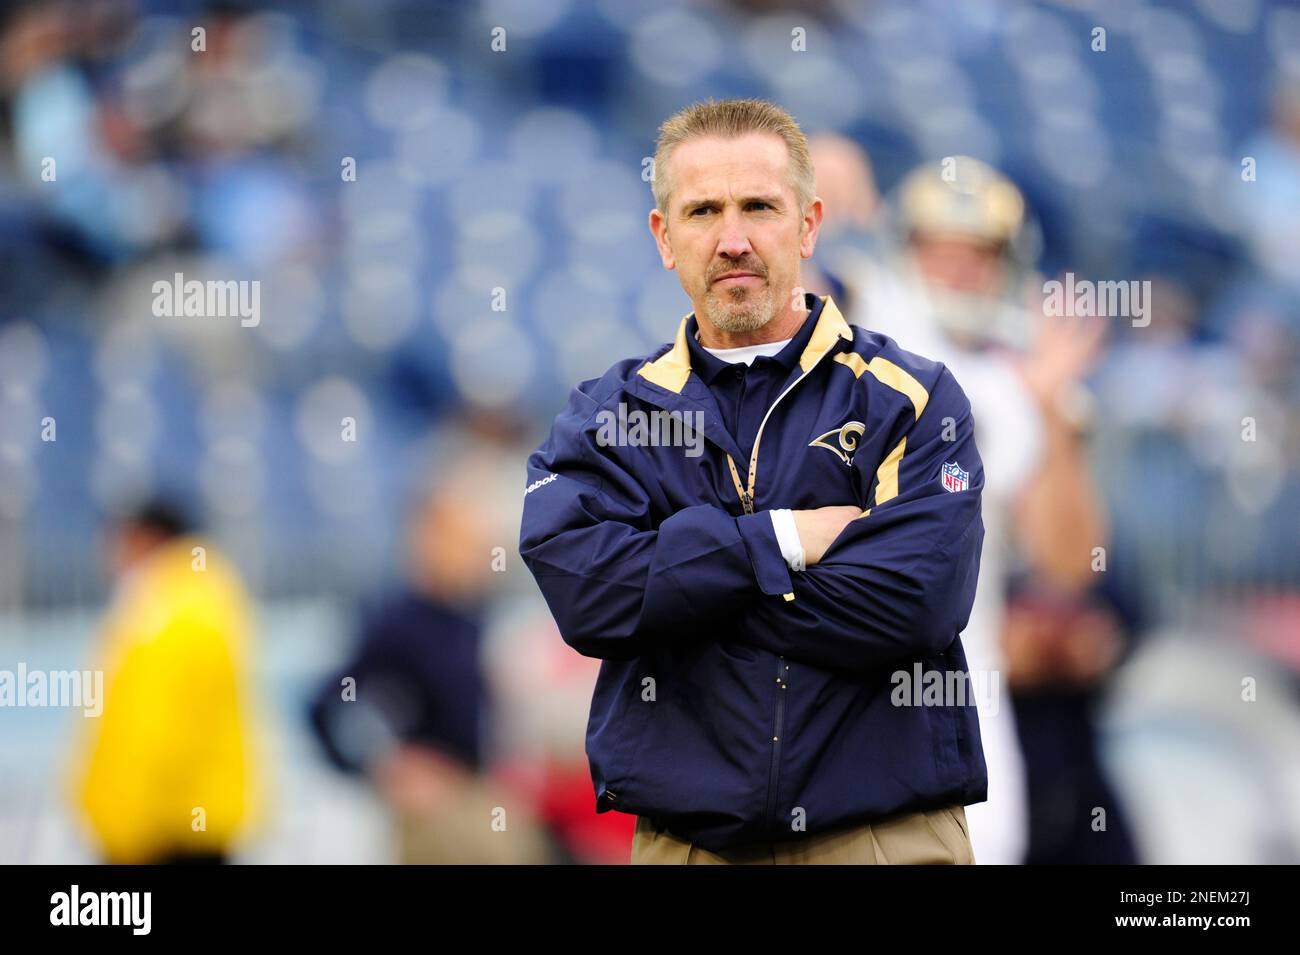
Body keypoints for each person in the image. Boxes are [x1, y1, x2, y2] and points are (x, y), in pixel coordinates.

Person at [519, 99, 987, 864]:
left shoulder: (913, 396)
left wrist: (678, 587)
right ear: (664, 237)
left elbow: (915, 604)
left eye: (759, 207)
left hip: (882, 839)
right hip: (689, 846)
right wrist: (784, 538)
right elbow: (588, 595)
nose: (732, 239)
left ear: (808, 225)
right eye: (703, 210)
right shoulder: (608, 415)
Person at [68, 500, 262, 864]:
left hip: (168, 833)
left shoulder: (173, 614)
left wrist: (124, 824)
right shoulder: (182, 603)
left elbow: (152, 731)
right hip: (174, 825)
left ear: (148, 540)